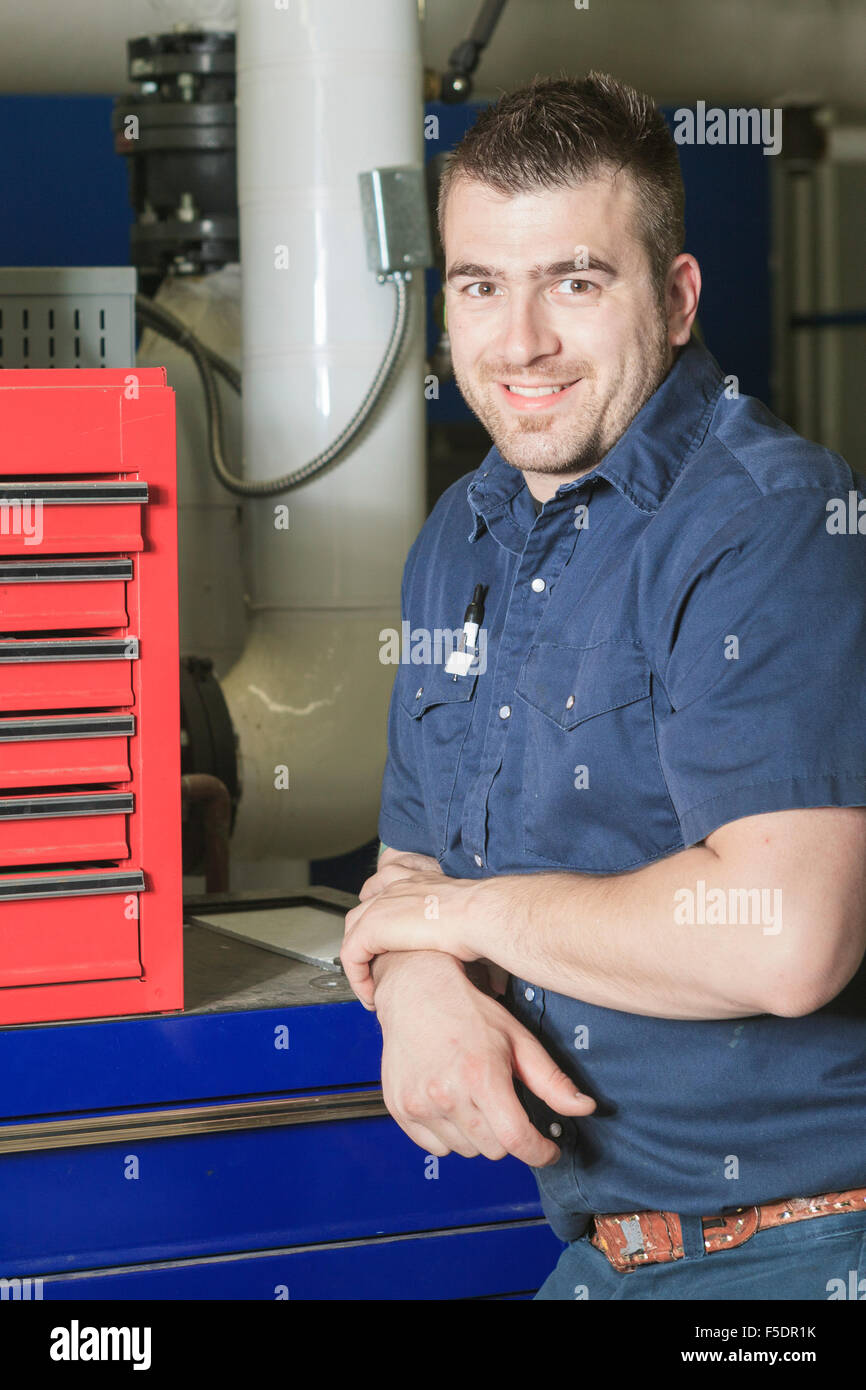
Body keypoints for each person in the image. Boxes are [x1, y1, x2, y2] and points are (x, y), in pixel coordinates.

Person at [341, 72, 866, 1300]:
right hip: (606, 1254)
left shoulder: (768, 524)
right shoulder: (456, 542)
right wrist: (414, 982)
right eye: (479, 285)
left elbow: (785, 936)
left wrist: (457, 923)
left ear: (674, 300)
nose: (518, 339)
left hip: (808, 1247)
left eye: (573, 282)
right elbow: (410, 871)